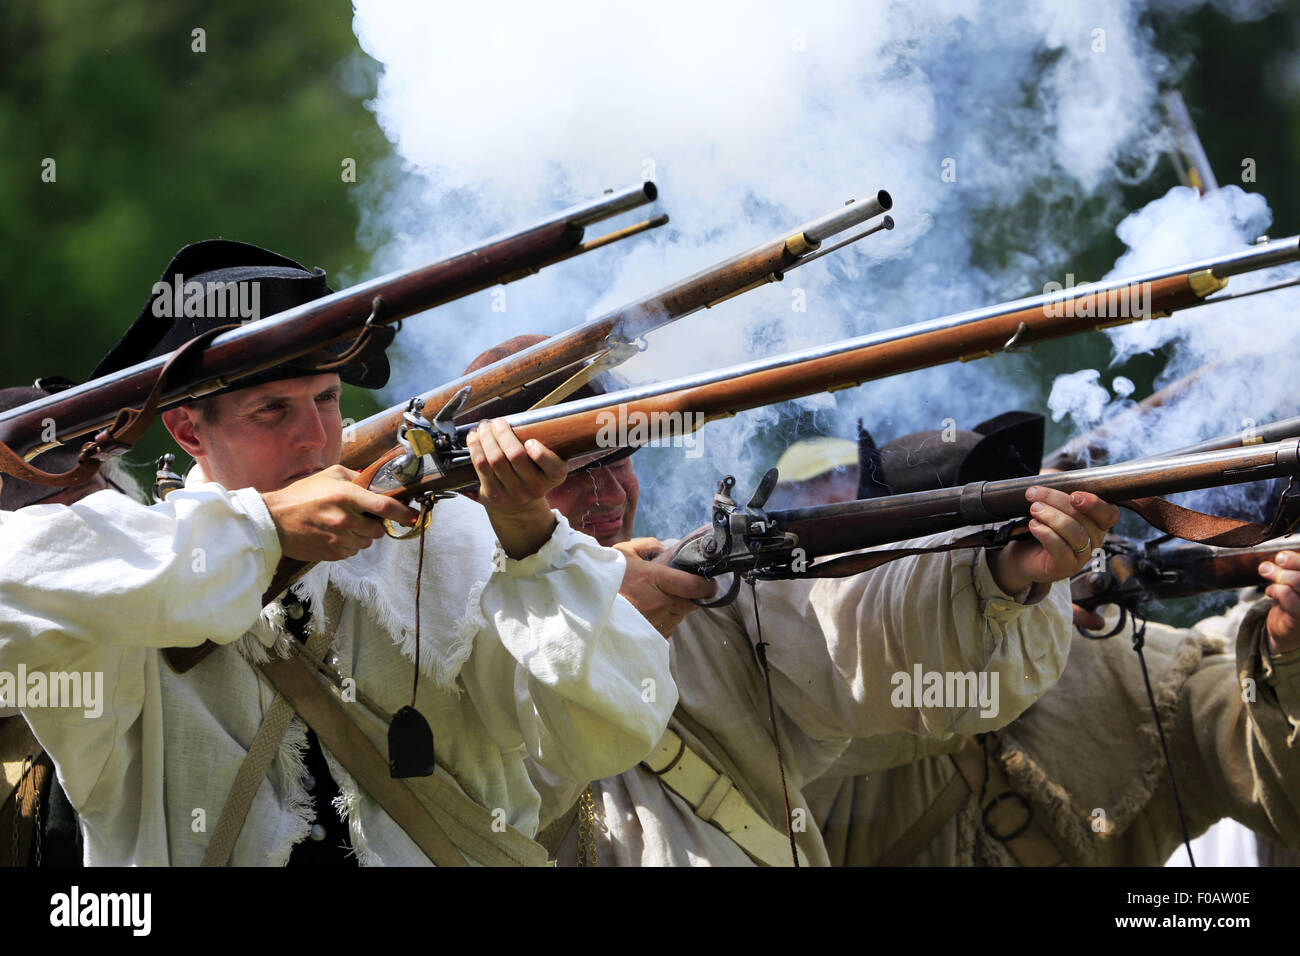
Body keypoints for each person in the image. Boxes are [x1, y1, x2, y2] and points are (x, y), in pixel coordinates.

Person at [0, 242, 675, 866]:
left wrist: (532, 537)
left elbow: (608, 734)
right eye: (272, 412)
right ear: (185, 430)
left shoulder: (447, 538)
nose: (315, 440)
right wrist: (259, 531)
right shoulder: (139, 572)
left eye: (325, 400)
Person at [463, 337, 1118, 866]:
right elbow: (496, 798)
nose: (607, 493)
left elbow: (853, 623)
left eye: (617, 458)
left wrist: (1003, 573)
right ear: (484, 499)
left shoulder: (690, 591)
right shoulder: (448, 645)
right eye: (570, 475)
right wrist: (595, 625)